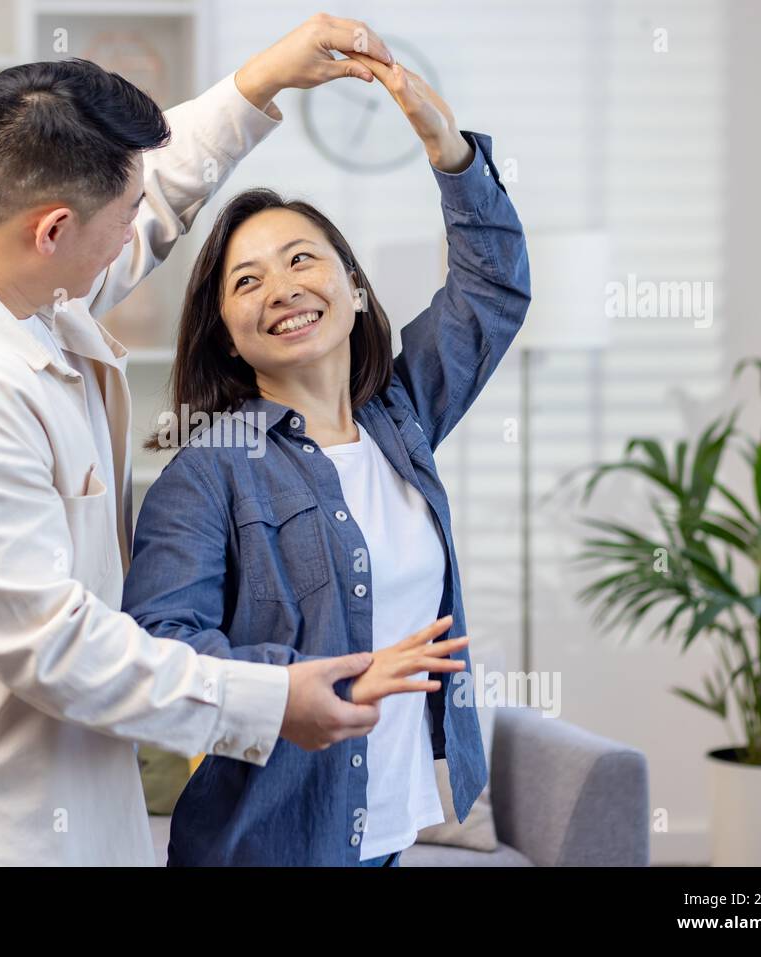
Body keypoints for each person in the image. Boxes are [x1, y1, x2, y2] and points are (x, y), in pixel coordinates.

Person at [0, 16, 438, 866]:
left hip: (76, 795)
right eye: (123, 220)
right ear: (51, 229)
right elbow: (58, 646)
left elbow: (155, 191)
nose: (141, 234)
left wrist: (264, 78)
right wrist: (271, 700)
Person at [122, 53, 532, 865]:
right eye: (246, 280)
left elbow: (493, 289)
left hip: (383, 833)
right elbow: (159, 651)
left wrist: (445, 144)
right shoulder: (206, 474)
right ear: (227, 335)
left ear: (355, 290)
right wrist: (327, 678)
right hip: (269, 844)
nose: (280, 288)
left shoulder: (401, 418)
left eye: (301, 259)